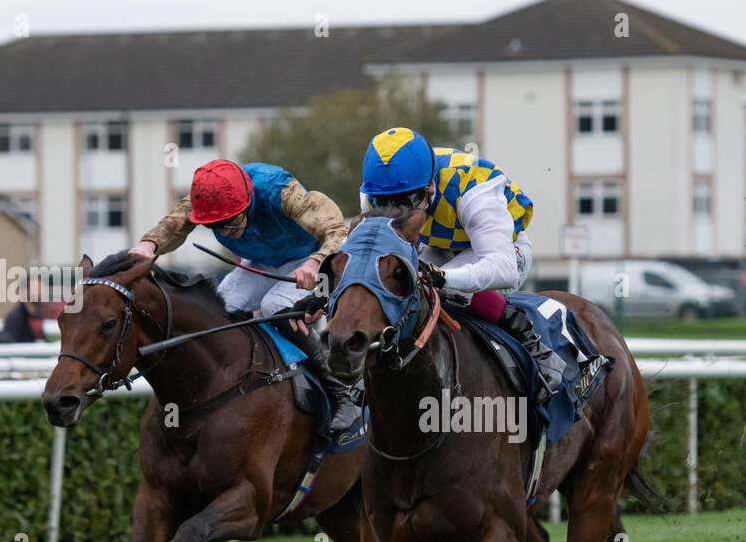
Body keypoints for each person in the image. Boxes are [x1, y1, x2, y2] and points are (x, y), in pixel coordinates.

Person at [128, 158, 356, 435]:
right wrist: (148, 245)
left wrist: (315, 263)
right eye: (216, 225)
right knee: (222, 306)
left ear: (247, 199)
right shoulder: (207, 198)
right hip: (260, 261)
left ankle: (339, 390)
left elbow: (337, 231)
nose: (225, 231)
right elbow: (173, 224)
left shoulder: (279, 190)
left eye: (230, 221)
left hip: (307, 261)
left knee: (275, 306)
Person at [359, 126, 565, 401]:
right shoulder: (373, 191)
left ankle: (531, 341)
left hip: (501, 250)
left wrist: (443, 278)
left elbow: (502, 269)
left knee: (443, 288)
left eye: (406, 202)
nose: (396, 213)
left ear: (430, 187)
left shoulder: (474, 189)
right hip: (439, 246)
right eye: (384, 203)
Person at [3, 277, 48, 343]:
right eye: (37, 288)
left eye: (43, 287)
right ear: (25, 291)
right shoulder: (15, 318)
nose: (42, 291)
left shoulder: (36, 315)